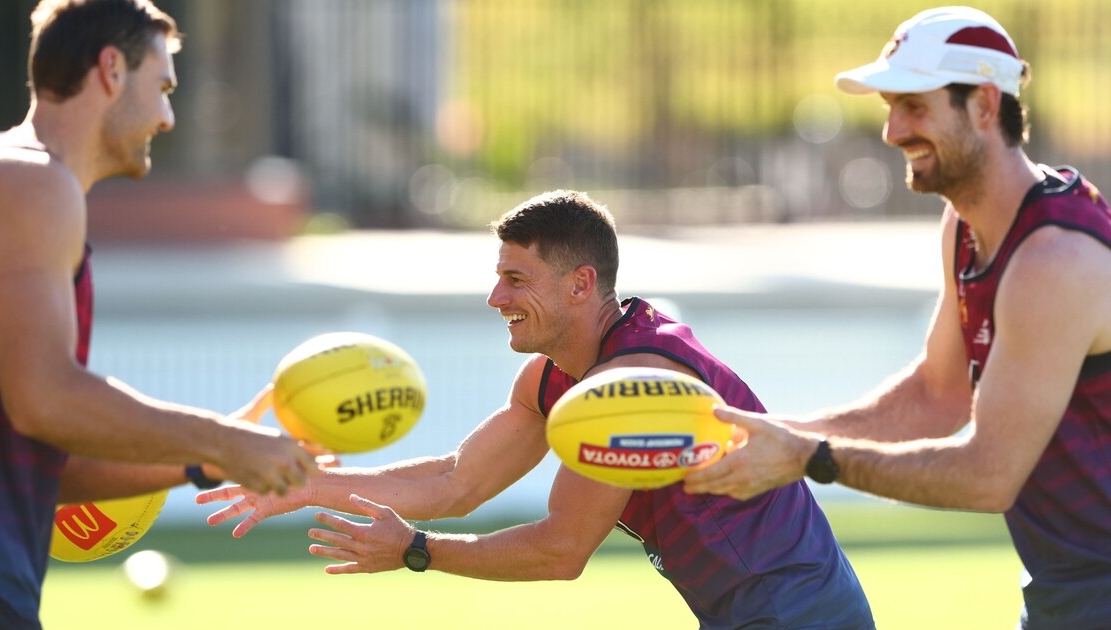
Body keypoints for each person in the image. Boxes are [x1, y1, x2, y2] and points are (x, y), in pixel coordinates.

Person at [198, 190, 875, 628]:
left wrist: (416, 551)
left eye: (515, 279)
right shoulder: (552, 379)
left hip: (800, 614)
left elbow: (560, 549)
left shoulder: (635, 386)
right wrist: (307, 483)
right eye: (497, 277)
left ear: (582, 284)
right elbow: (456, 481)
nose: (495, 297)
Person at [683, 6, 1111, 629]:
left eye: (914, 106)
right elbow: (939, 395)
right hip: (1069, 589)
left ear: (985, 106)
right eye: (890, 106)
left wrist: (811, 457)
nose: (891, 131)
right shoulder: (968, 226)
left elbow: (989, 477)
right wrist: (775, 436)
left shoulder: (1053, 259)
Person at [0, 1, 318, 627]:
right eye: (162, 88)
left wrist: (209, 460)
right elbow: (44, 399)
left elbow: (49, 454)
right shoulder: (31, 181)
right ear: (110, 70)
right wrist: (221, 436)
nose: (167, 116)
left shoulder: (4, 174)